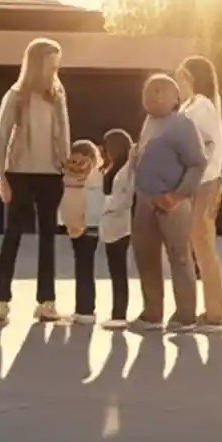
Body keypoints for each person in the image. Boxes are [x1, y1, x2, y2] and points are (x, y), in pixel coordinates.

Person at [0, 37, 71, 325]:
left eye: (57, 64)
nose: (55, 69)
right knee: (12, 236)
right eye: (51, 63)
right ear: (38, 63)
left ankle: (46, 303)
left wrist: (69, 167)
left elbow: (64, 134)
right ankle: (2, 302)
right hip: (19, 174)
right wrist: (1, 177)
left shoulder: (58, 94)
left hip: (51, 175)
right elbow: (0, 137)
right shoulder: (16, 95)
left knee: (48, 238)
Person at [130, 74, 208, 333]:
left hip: (173, 202)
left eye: (160, 90)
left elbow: (197, 164)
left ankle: (186, 317)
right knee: (145, 256)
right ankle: (152, 314)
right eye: (148, 90)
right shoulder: (148, 122)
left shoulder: (182, 125)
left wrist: (176, 197)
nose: (152, 95)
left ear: (176, 98)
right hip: (144, 201)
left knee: (180, 257)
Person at [177, 55, 222, 334]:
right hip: (193, 183)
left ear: (192, 77)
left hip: (205, 183)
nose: (178, 80)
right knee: (193, 245)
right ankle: (200, 311)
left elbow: (206, 144)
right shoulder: (190, 105)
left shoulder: (204, 106)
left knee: (203, 245)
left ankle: (215, 316)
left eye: (182, 76)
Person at [61, 139, 105, 325]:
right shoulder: (68, 177)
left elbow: (95, 202)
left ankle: (86, 310)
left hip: (88, 225)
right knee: (83, 266)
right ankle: (83, 309)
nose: (77, 166)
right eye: (74, 161)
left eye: (82, 161)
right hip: (77, 225)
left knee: (84, 266)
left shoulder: (96, 177)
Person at [97, 129, 136, 330]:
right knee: (116, 271)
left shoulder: (126, 170)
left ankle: (119, 314)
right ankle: (117, 313)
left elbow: (122, 199)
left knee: (119, 272)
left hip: (120, 226)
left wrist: (101, 204)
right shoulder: (112, 168)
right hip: (112, 225)